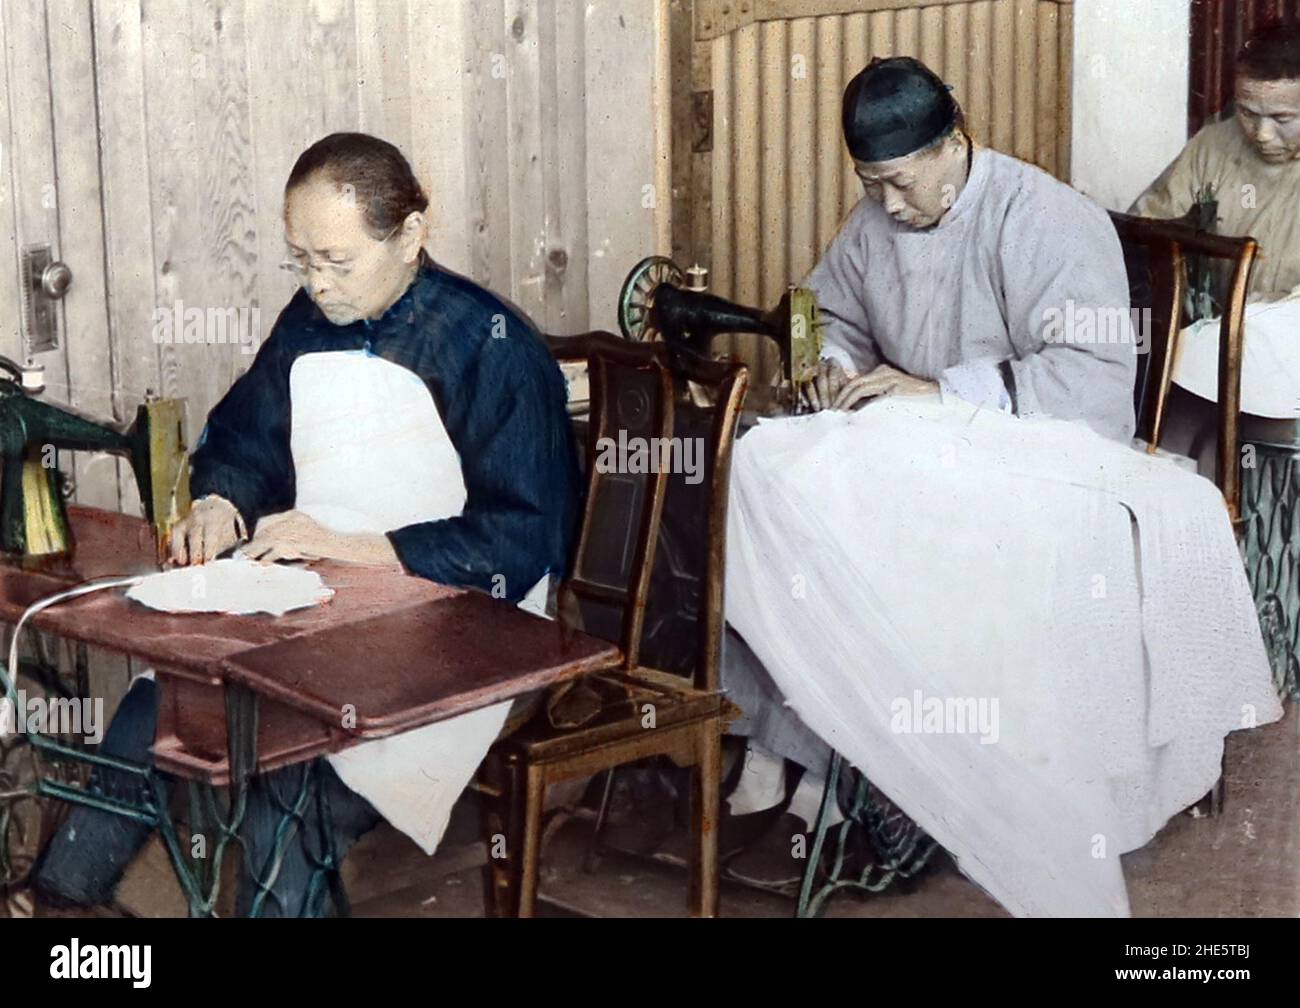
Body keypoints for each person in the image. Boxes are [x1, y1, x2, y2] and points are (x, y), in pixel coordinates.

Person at [32, 132, 579, 916]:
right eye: (302, 260)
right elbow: (248, 440)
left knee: (278, 784)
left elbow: (526, 539)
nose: (318, 285)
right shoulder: (308, 321)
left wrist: (364, 548)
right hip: (320, 619)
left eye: (339, 261)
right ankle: (61, 910)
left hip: (464, 643)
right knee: (158, 709)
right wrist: (222, 501)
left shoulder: (492, 349)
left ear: (412, 236)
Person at [803, 56, 1137, 443]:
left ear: (954, 145)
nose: (889, 204)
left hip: (1029, 447)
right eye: (871, 184)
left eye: (902, 183)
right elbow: (834, 316)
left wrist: (942, 396)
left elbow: (1094, 377)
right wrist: (834, 365)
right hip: (922, 439)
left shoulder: (1046, 217)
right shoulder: (871, 220)